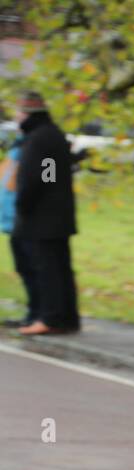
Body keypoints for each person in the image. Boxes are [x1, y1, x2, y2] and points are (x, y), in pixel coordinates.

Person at [13, 91, 78, 336]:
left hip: (42, 218)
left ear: (27, 114)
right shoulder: (52, 135)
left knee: (47, 268)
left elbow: (39, 178)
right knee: (60, 268)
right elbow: (48, 174)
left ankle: (50, 317)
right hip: (55, 215)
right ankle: (66, 317)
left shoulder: (40, 139)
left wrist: (24, 204)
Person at [0, 129, 41, 330]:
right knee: (24, 268)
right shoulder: (16, 148)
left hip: (27, 221)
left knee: (33, 269)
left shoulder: (39, 146)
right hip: (12, 220)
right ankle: (33, 313)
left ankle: (38, 314)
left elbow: (47, 180)